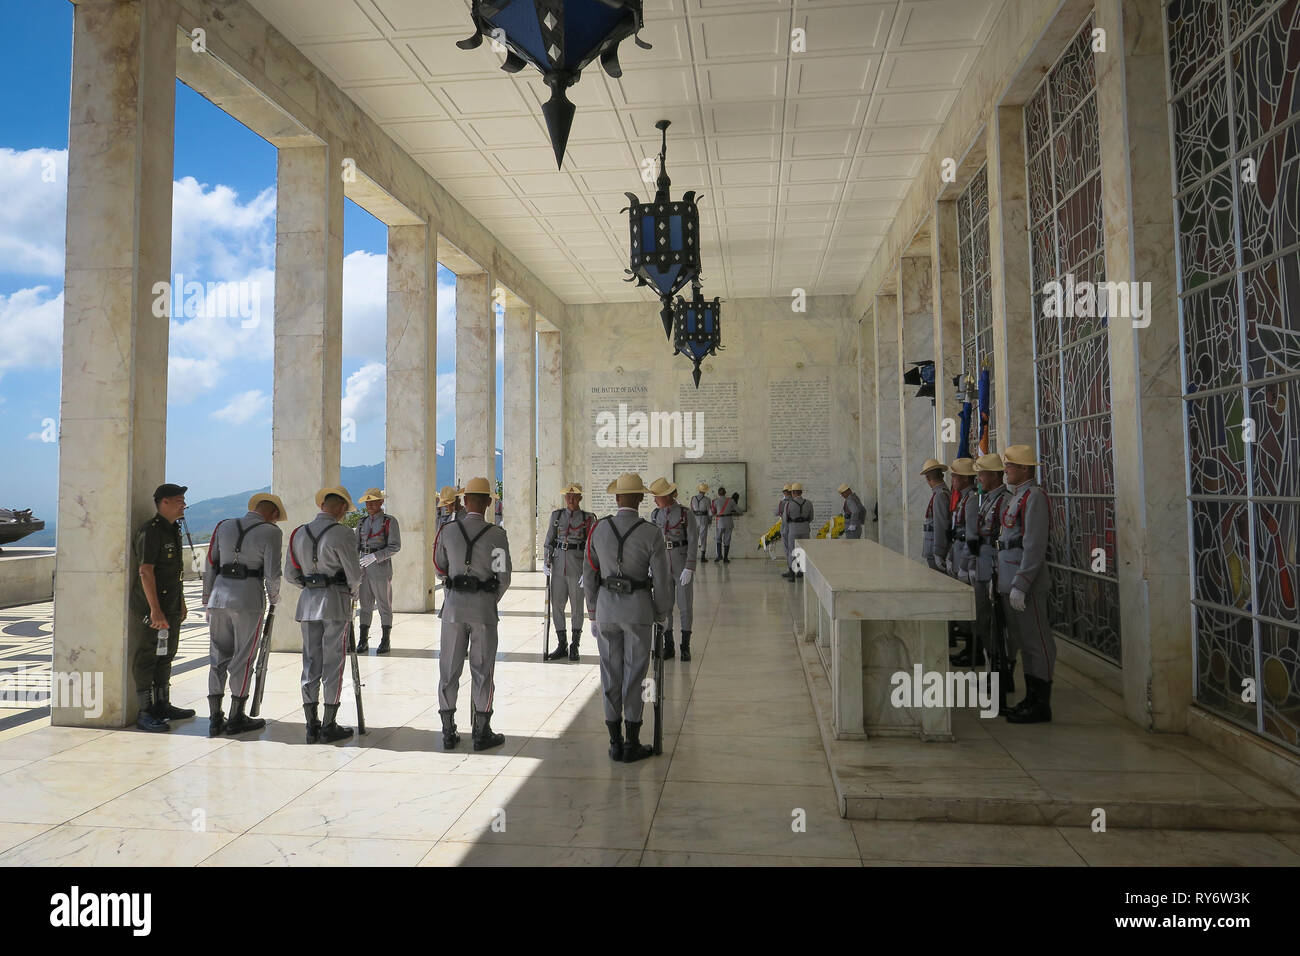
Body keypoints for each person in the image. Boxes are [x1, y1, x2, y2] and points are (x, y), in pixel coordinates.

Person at [583, 473, 673, 762]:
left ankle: (614, 741)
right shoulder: (651, 532)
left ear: (618, 498)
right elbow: (662, 579)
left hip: (607, 610)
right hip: (638, 611)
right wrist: (662, 613)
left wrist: (593, 612)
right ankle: (632, 741)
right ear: (641, 498)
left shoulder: (598, 529)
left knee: (610, 672)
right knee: (635, 675)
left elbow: (590, 572)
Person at [433, 476, 511, 750]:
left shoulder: (448, 531)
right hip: (483, 612)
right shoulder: (497, 535)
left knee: (449, 670)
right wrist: (488, 600)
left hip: (453, 609)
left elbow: (439, 567)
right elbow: (503, 577)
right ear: (489, 502)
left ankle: (447, 731)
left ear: (465, 501)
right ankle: (481, 732)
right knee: (482, 670)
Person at [202, 492, 286, 737]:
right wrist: (274, 598)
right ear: (271, 513)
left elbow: (211, 564)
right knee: (244, 657)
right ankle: (236, 715)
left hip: (219, 596)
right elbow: (272, 572)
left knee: (218, 656)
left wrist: (207, 597)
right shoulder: (271, 532)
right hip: (248, 599)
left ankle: (215, 717)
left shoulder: (223, 526)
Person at [284, 486, 362, 744]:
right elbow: (354, 574)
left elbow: (290, 574)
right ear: (340, 507)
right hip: (335, 602)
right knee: (333, 662)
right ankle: (329, 723)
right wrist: (351, 592)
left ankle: (310, 723)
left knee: (310, 662)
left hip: (308, 602)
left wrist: (309, 586)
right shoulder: (343, 533)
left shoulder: (298, 533)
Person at [129, 483, 196, 732]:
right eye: (179, 500)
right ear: (164, 502)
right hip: (152, 607)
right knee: (148, 656)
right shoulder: (152, 531)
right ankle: (145, 711)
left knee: (166, 654)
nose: (183, 505)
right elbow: (146, 572)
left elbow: (174, 574)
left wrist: (180, 602)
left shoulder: (173, 530)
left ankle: (162, 704)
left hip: (171, 605)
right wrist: (154, 610)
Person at [997, 445, 1054, 723]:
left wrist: (1022, 582)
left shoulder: (1035, 497)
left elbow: (1033, 544)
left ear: (1025, 469)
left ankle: (1041, 703)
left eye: (1010, 466)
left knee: (1037, 642)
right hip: (1010, 578)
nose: (1005, 470)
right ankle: (1030, 697)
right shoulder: (1017, 497)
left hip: (1026, 582)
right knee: (1023, 641)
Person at [962, 453, 1016, 708]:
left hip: (997, 568)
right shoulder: (985, 500)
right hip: (983, 566)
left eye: (983, 474)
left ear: (996, 476)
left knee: (1000, 626)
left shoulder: (1006, 501)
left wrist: (994, 569)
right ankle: (993, 669)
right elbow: (976, 536)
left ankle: (1003, 673)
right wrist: (972, 563)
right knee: (984, 620)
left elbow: (1002, 538)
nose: (979, 478)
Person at [542, 483, 596, 662]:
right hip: (558, 566)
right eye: (568, 496)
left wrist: (587, 571)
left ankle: (575, 644)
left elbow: (591, 547)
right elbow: (549, 540)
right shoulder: (556, 516)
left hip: (577, 567)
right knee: (556, 606)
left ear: (580, 498)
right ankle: (562, 644)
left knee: (577, 608)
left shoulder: (588, 519)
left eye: (574, 496)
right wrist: (546, 560)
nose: (570, 499)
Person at [649, 477, 697, 661]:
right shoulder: (655, 515)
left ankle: (685, 646)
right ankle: (668, 646)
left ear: (668, 496)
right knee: (664, 605)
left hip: (681, 562)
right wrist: (650, 565)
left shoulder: (686, 514)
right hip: (662, 565)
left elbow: (693, 540)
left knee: (685, 605)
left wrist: (690, 567)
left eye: (658, 496)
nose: (655, 500)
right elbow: (651, 542)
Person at [355, 488, 401, 655]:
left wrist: (376, 556)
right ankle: (363, 639)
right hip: (363, 567)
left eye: (374, 501)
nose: (370, 505)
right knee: (364, 605)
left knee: (384, 604)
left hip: (380, 567)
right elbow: (356, 545)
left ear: (381, 502)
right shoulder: (361, 522)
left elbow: (395, 546)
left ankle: (385, 639)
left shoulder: (389, 522)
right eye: (368, 502)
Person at [946, 459, 980, 666]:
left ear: (967, 478)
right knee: (962, 607)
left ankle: (973, 650)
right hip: (958, 554)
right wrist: (951, 556)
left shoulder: (973, 500)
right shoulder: (963, 499)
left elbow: (971, 535)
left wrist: (967, 565)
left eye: (956, 476)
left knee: (970, 609)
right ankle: (968, 647)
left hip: (966, 558)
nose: (953, 480)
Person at [919, 458, 951, 572]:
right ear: (941, 475)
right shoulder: (940, 493)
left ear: (927, 478)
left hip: (935, 548)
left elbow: (941, 525)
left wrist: (938, 552)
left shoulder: (940, 496)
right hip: (932, 546)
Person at [782, 483, 813, 580]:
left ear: (793, 493)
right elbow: (811, 517)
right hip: (805, 530)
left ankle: (792, 574)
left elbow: (785, 519)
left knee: (792, 550)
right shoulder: (809, 503)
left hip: (793, 529)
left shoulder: (788, 504)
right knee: (802, 551)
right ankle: (800, 572)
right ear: (801, 492)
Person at [710, 485, 738, 563]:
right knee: (727, 539)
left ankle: (719, 556)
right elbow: (739, 511)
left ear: (718, 494)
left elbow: (711, 512)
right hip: (729, 522)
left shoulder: (715, 501)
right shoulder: (731, 501)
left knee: (718, 539)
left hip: (720, 523)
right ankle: (725, 558)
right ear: (725, 493)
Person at [690, 482, 711, 563]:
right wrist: (710, 519)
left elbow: (691, 510)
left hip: (695, 519)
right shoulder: (707, 499)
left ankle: (693, 557)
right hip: (703, 519)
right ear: (705, 491)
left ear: (699, 490)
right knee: (703, 538)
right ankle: (702, 557)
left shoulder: (693, 498)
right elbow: (710, 512)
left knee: (694, 538)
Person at [777, 483, 794, 570]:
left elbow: (777, 512)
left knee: (787, 549)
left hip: (785, 527)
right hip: (795, 527)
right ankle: (798, 569)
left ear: (784, 492)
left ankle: (790, 569)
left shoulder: (783, 502)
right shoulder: (795, 501)